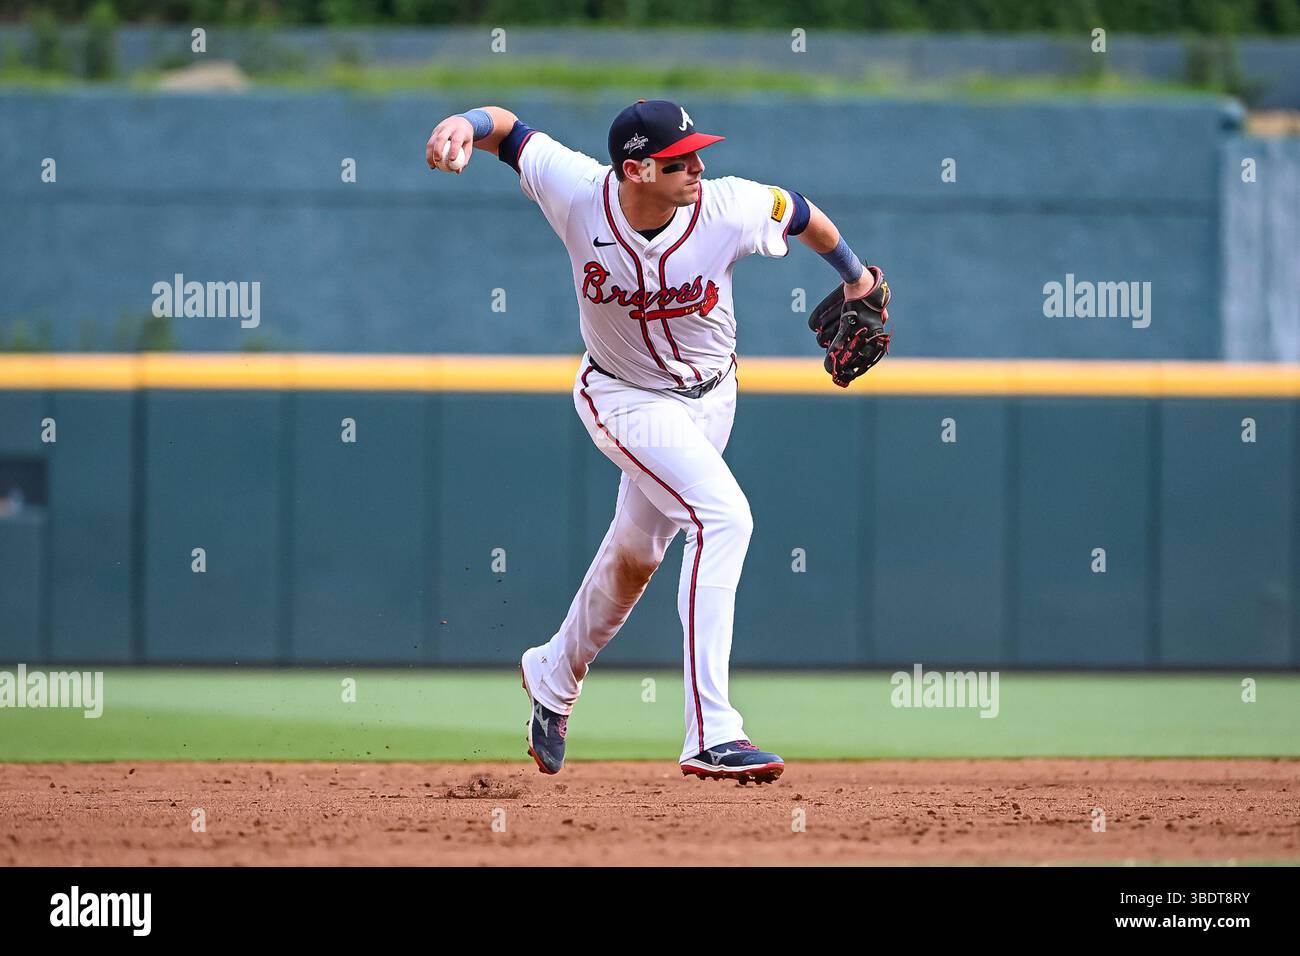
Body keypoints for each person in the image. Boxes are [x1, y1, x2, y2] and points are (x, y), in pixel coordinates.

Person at [425, 99, 892, 784]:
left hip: (712, 400)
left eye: (698, 152)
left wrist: (856, 277)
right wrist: (465, 125)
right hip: (622, 397)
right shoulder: (580, 193)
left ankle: (552, 676)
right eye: (680, 160)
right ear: (636, 169)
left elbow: (796, 211)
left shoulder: (726, 205)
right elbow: (510, 131)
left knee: (637, 552)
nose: (698, 167)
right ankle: (713, 732)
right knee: (724, 517)